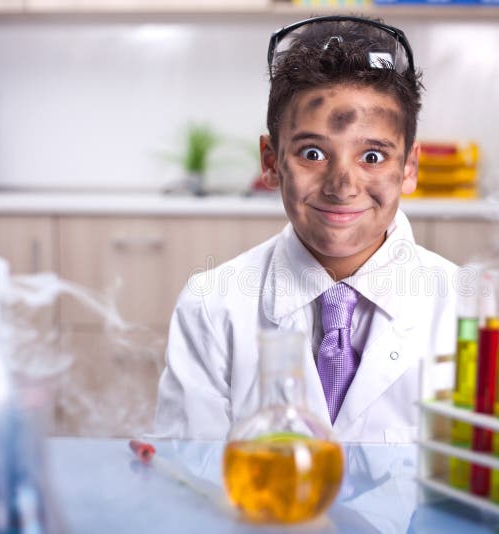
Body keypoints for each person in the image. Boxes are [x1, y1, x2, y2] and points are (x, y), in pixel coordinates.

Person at [154, 15, 457, 442]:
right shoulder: (212, 307)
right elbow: (191, 482)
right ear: (271, 161)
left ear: (409, 168)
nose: (342, 185)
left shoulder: (465, 313)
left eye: (372, 157)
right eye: (312, 153)